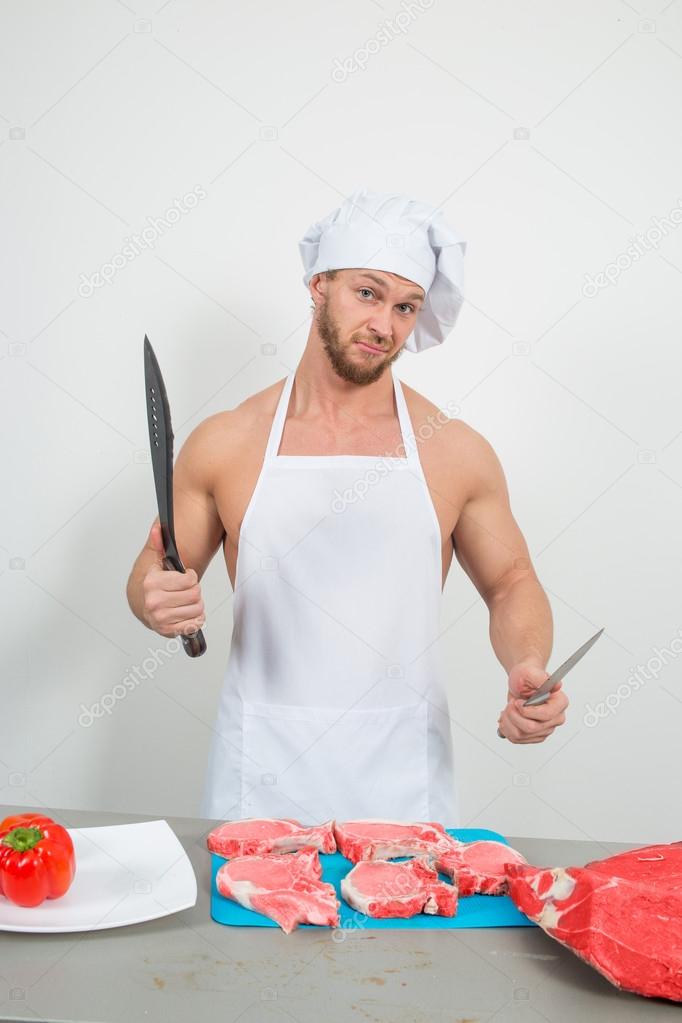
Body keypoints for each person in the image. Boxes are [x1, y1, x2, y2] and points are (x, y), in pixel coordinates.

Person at [126, 187, 568, 825]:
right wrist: (152, 599)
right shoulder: (226, 443)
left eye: (406, 306)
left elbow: (511, 581)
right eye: (367, 293)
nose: (385, 326)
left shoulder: (454, 451)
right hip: (261, 772)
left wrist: (528, 664)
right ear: (318, 284)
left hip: (403, 775)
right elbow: (155, 567)